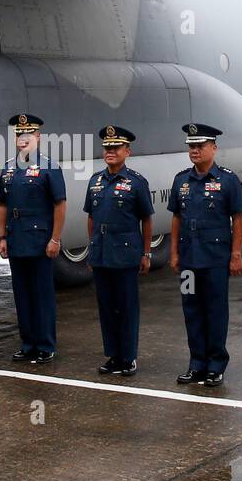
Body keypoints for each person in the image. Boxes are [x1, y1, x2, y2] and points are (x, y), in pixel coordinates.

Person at [168, 123, 242, 387]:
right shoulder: (181, 180)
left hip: (214, 259)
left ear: (214, 147)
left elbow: (237, 217)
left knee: (215, 310)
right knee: (191, 309)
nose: (195, 150)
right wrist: (174, 253)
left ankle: (215, 365)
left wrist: (236, 254)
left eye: (200, 146)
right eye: (191, 146)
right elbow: (177, 217)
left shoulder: (227, 179)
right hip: (189, 259)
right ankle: (196, 363)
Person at [0, 114, 66, 363]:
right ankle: (28, 344)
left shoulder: (49, 167)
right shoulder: (8, 167)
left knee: (42, 294)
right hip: (16, 239)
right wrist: (2, 236)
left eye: (27, 134)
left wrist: (55, 239)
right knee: (22, 294)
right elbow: (2, 204)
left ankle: (46, 345)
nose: (22, 139)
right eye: (18, 134)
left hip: (39, 240)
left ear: (37, 137)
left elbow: (60, 205)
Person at [84, 125, 153, 376]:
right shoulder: (95, 181)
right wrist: (92, 247)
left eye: (116, 148)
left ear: (127, 151)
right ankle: (113, 355)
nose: (110, 151)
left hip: (125, 255)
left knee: (126, 307)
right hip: (101, 254)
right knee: (106, 307)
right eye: (107, 147)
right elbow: (91, 217)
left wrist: (146, 253)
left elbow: (146, 219)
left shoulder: (136, 182)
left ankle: (128, 357)